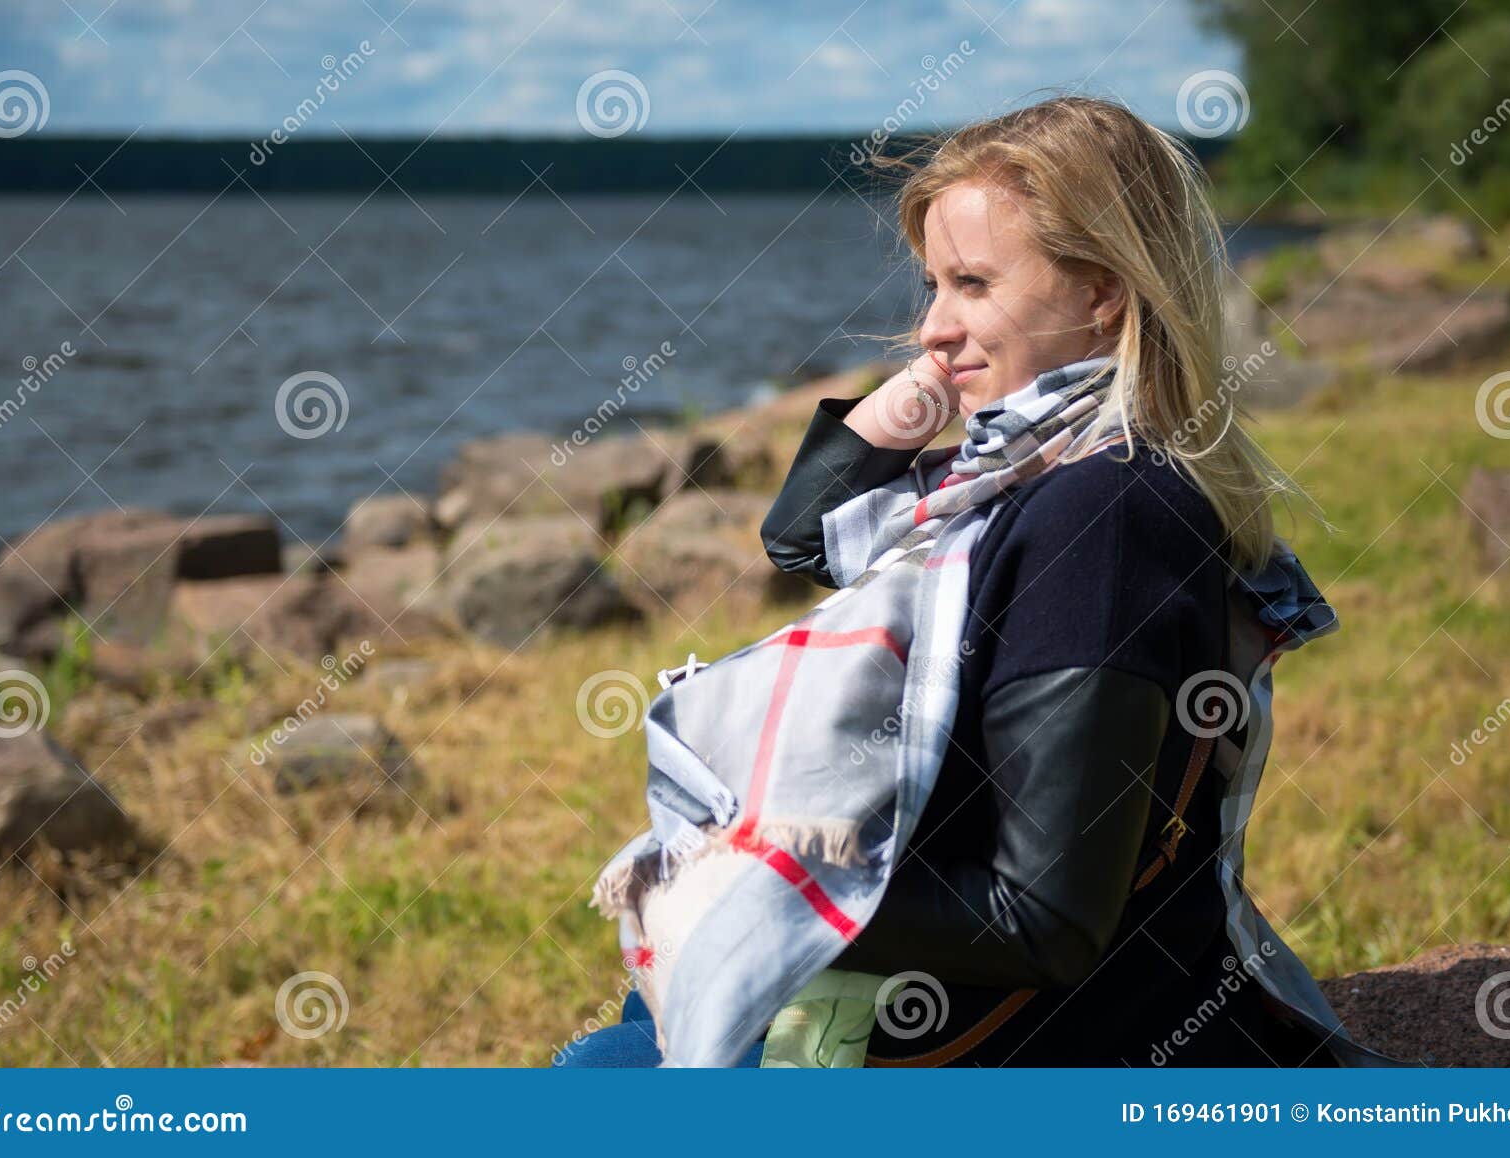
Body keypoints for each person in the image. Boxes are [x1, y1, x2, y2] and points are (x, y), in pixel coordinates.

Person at [559, 96, 1357, 1068]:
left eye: (971, 283)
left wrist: (744, 884)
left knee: (596, 1069)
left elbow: (1046, 918)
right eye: (931, 286)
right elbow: (803, 538)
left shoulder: (1096, 515)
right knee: (634, 1037)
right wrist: (930, 383)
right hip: (992, 1002)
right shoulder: (1032, 475)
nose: (931, 325)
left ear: (1103, 289)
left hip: (1028, 1043)